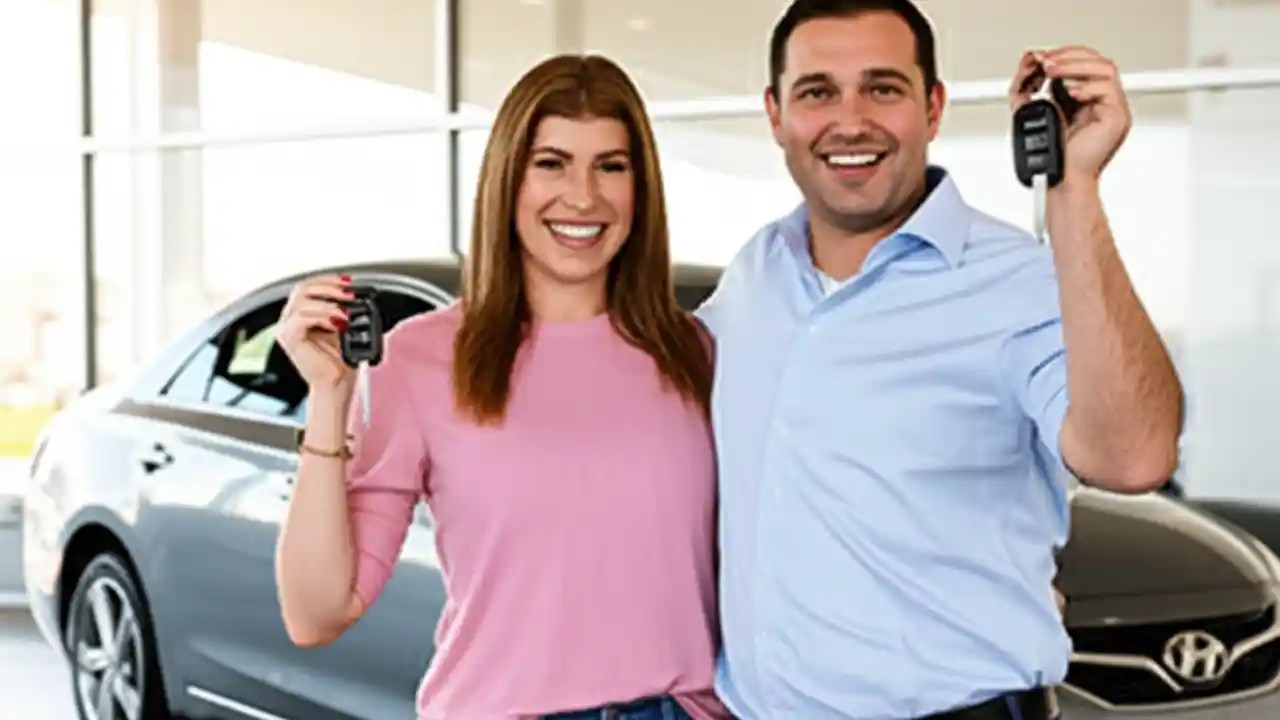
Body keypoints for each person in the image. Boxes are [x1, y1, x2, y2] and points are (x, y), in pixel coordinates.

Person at [694, 1, 1184, 719]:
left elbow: (1134, 457)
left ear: (933, 107)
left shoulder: (1019, 281)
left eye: (882, 88)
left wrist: (1074, 189)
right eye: (818, 91)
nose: (850, 120)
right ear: (776, 114)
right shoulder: (756, 273)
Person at [273, 54, 733, 720]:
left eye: (611, 166)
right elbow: (316, 613)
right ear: (507, 179)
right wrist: (329, 398)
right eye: (552, 163)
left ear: (642, 188)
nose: (583, 196)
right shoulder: (421, 359)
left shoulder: (698, 354)